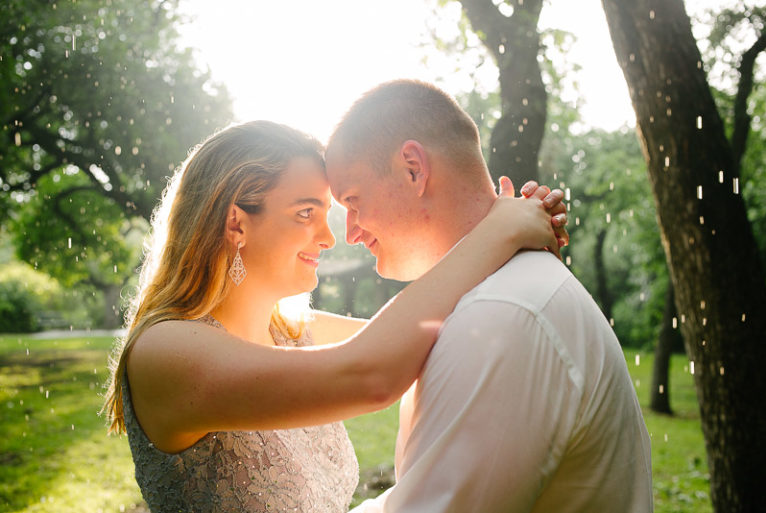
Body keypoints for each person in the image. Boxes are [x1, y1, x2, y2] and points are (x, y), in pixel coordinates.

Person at [101, 120, 568, 513]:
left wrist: (501, 238)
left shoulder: (290, 332)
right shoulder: (164, 352)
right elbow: (370, 376)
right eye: (306, 212)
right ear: (235, 222)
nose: (329, 237)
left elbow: (436, 337)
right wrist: (495, 233)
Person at [324, 79, 653, 513]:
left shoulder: (499, 316)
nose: (349, 232)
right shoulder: (492, 297)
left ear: (413, 169)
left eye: (352, 200)